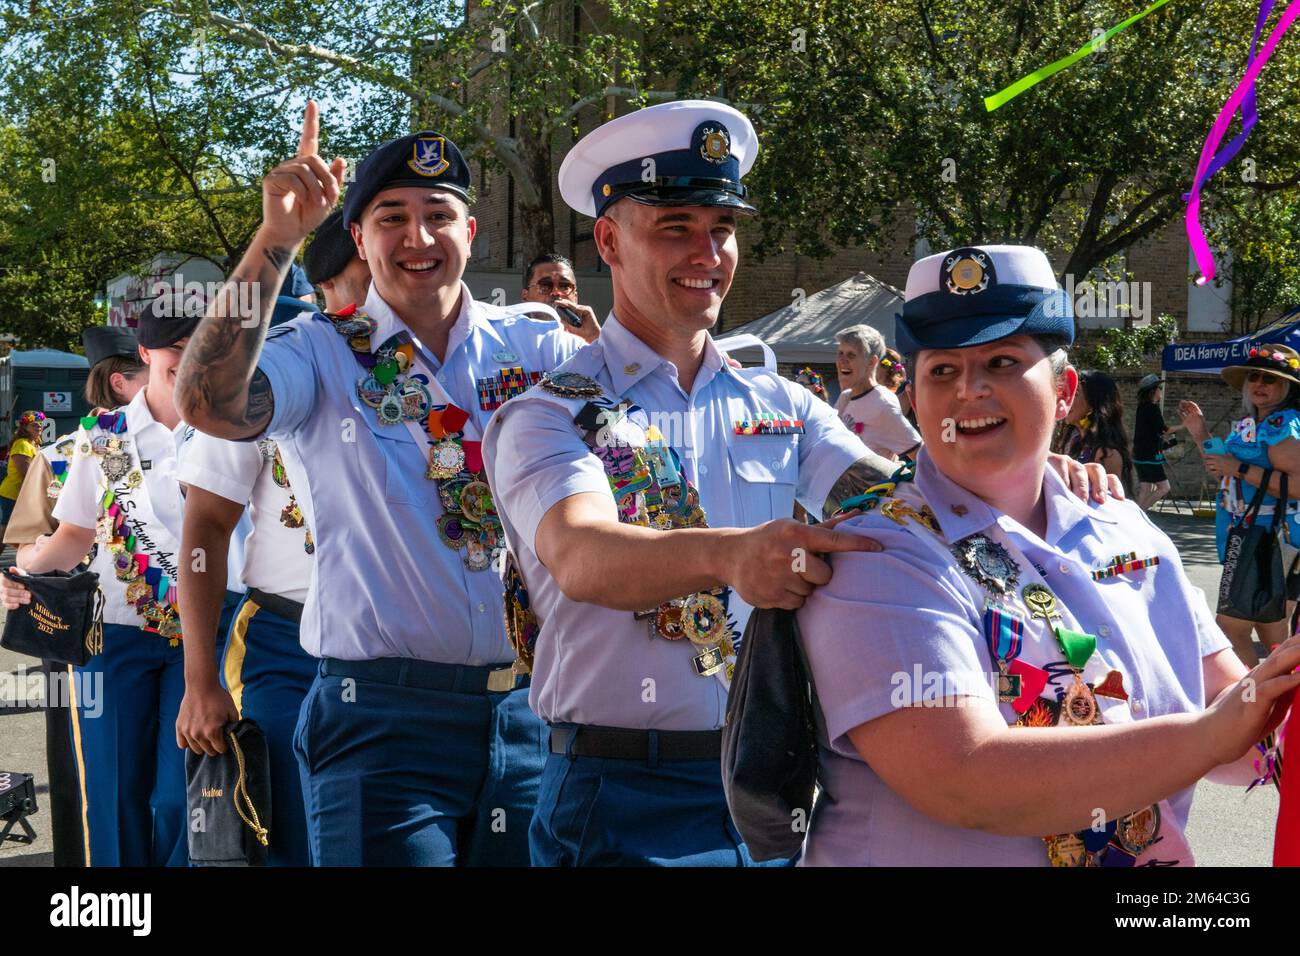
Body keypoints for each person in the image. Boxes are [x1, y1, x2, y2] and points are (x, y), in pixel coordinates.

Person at [483, 105, 1116, 867]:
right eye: (674, 226)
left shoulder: (778, 403)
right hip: (625, 790)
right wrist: (732, 556)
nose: (706, 252)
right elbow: (582, 556)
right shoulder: (549, 413)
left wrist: (1032, 471)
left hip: (771, 788)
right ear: (610, 241)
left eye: (721, 227)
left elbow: (903, 495)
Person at [174, 102, 596, 866]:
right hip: (382, 721)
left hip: (534, 713)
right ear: (361, 239)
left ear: (472, 234)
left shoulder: (537, 345)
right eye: (391, 218)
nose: (417, 238)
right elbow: (206, 402)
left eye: (439, 215)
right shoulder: (320, 352)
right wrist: (275, 239)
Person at [794, 244, 1300, 866]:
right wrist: (1206, 735)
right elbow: (966, 777)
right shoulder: (876, 551)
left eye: (1002, 362)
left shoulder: (1125, 529)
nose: (969, 391)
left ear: (1064, 392)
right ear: (915, 396)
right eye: (942, 372)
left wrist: (1277, 696)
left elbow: (1243, 725)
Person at [1, 299, 203, 866]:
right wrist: (19, 575)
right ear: (144, 353)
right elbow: (70, 537)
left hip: (205, 639)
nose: (189, 361)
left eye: (202, 348)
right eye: (175, 349)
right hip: (112, 635)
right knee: (112, 792)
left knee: (181, 794)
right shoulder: (102, 436)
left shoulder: (230, 429)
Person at [1, 325, 145, 868]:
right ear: (120, 381)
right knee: (84, 760)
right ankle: (80, 861)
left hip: (149, 622)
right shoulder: (62, 453)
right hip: (73, 623)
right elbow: (22, 547)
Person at [1179, 344, 1300, 665]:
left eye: (1269, 379)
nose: (1259, 384)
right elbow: (1223, 471)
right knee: (1272, 631)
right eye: (1254, 377)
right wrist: (1200, 431)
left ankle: (1251, 701)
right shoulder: (1253, 423)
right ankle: (1272, 703)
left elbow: (1298, 484)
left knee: (1231, 628)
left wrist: (1238, 468)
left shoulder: (1282, 425)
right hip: (1252, 535)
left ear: (1286, 388)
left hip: (1271, 538)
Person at [835, 325, 922, 461]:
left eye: (851, 355)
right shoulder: (845, 397)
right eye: (840, 353)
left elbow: (920, 455)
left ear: (872, 362)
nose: (842, 360)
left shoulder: (882, 404)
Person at [1061, 370, 1134, 495]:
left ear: (1094, 402)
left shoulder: (1107, 453)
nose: (1067, 399)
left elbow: (1108, 506)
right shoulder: (1075, 442)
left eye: (1075, 393)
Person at [1132, 372, 1185, 511]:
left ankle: (1137, 515)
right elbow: (1163, 430)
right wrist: (1183, 426)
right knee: (1164, 487)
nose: (1161, 390)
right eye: (1159, 388)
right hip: (1150, 455)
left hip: (1139, 454)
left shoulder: (1141, 407)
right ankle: (1140, 513)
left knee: (1146, 487)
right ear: (1152, 391)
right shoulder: (1152, 408)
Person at [520, 252, 601, 338]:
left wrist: (595, 338)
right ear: (526, 296)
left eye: (565, 286)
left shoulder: (592, 341)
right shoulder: (509, 340)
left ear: (575, 297)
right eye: (545, 285)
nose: (556, 292)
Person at [1, 411, 46, 536]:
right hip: (13, 495)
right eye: (35, 425)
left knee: (25, 533)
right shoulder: (22, 444)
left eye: (40, 424)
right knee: (6, 532)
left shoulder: (33, 443)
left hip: (24, 494)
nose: (39, 427)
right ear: (25, 427)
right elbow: (26, 472)